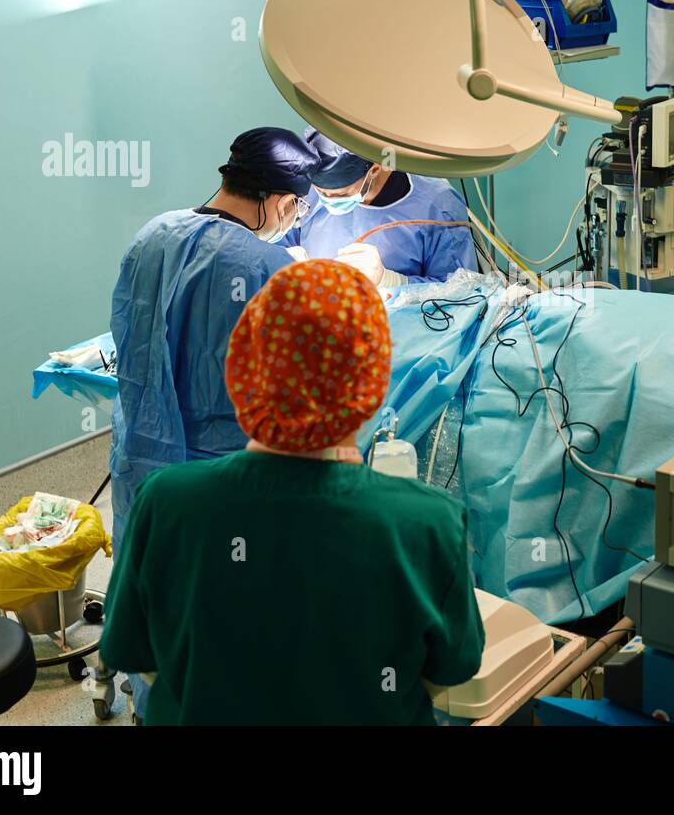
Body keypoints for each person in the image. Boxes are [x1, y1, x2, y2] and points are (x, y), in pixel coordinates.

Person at [101, 260, 485, 725]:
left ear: (244, 365)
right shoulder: (428, 524)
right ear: (372, 380)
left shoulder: (167, 501)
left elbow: (137, 657)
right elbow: (452, 672)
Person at [108, 126, 319, 720]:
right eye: (295, 208)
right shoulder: (268, 266)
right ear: (281, 202)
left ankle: (155, 700)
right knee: (226, 609)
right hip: (226, 475)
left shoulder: (154, 233)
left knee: (157, 593)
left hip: (143, 461)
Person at [284, 128, 478, 286]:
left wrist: (392, 281)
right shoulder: (305, 191)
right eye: (320, 192)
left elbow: (460, 293)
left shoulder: (437, 206)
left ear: (375, 169)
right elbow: (278, 242)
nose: (326, 201)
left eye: (340, 194)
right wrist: (282, 261)